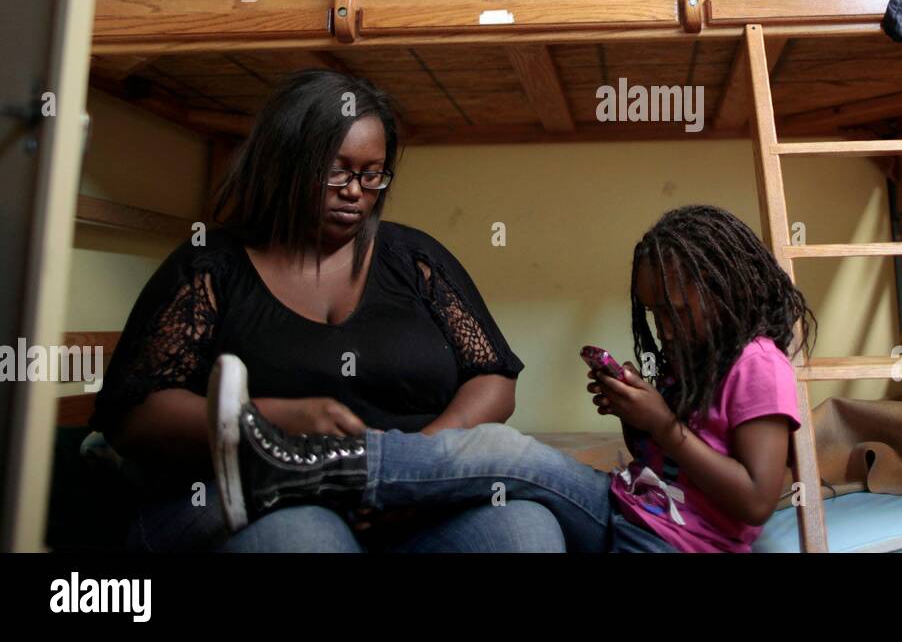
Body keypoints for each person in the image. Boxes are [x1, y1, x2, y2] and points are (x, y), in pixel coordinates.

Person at [92, 70, 564, 553]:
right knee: (309, 537)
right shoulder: (210, 266)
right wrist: (278, 420)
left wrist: (412, 468)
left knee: (522, 529)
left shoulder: (415, 259)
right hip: (254, 502)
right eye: (335, 170)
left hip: (407, 503)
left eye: (371, 173)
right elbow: (135, 415)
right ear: (284, 163)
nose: (356, 190)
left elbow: (493, 379)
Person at [209, 205, 816, 553]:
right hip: (624, 511)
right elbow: (670, 465)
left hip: (674, 547)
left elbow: (756, 500)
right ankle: (302, 466)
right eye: (652, 312)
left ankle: (296, 468)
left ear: (726, 287)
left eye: (674, 310)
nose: (663, 325)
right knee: (501, 450)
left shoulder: (760, 364)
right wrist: (639, 422)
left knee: (505, 465)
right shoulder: (698, 356)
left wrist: (664, 423)